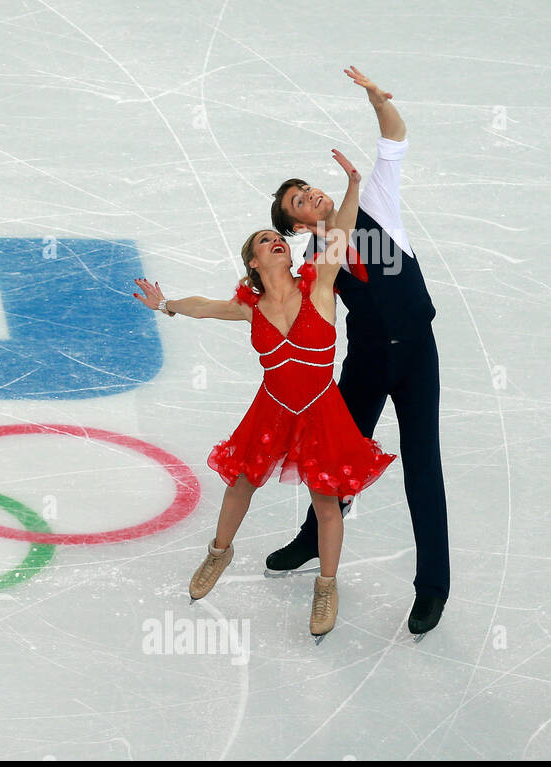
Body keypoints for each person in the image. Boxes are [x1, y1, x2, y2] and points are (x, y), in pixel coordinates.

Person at [131, 150, 395, 636]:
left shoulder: (318, 285)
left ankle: (326, 587)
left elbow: (339, 236)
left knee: (326, 501)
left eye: (278, 237)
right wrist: (165, 304)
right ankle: (219, 553)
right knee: (241, 484)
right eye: (264, 241)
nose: (276, 241)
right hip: (271, 410)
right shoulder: (249, 308)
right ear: (253, 261)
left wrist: (354, 184)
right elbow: (205, 306)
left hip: (320, 409)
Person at [267, 66, 449, 635]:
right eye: (299, 201)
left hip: (417, 353)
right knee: (331, 462)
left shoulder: (377, 200)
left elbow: (394, 141)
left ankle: (433, 587)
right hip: (366, 361)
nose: (308, 196)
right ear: (297, 224)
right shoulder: (318, 256)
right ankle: (308, 541)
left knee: (423, 467)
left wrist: (376, 101)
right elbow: (320, 273)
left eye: (306, 188)